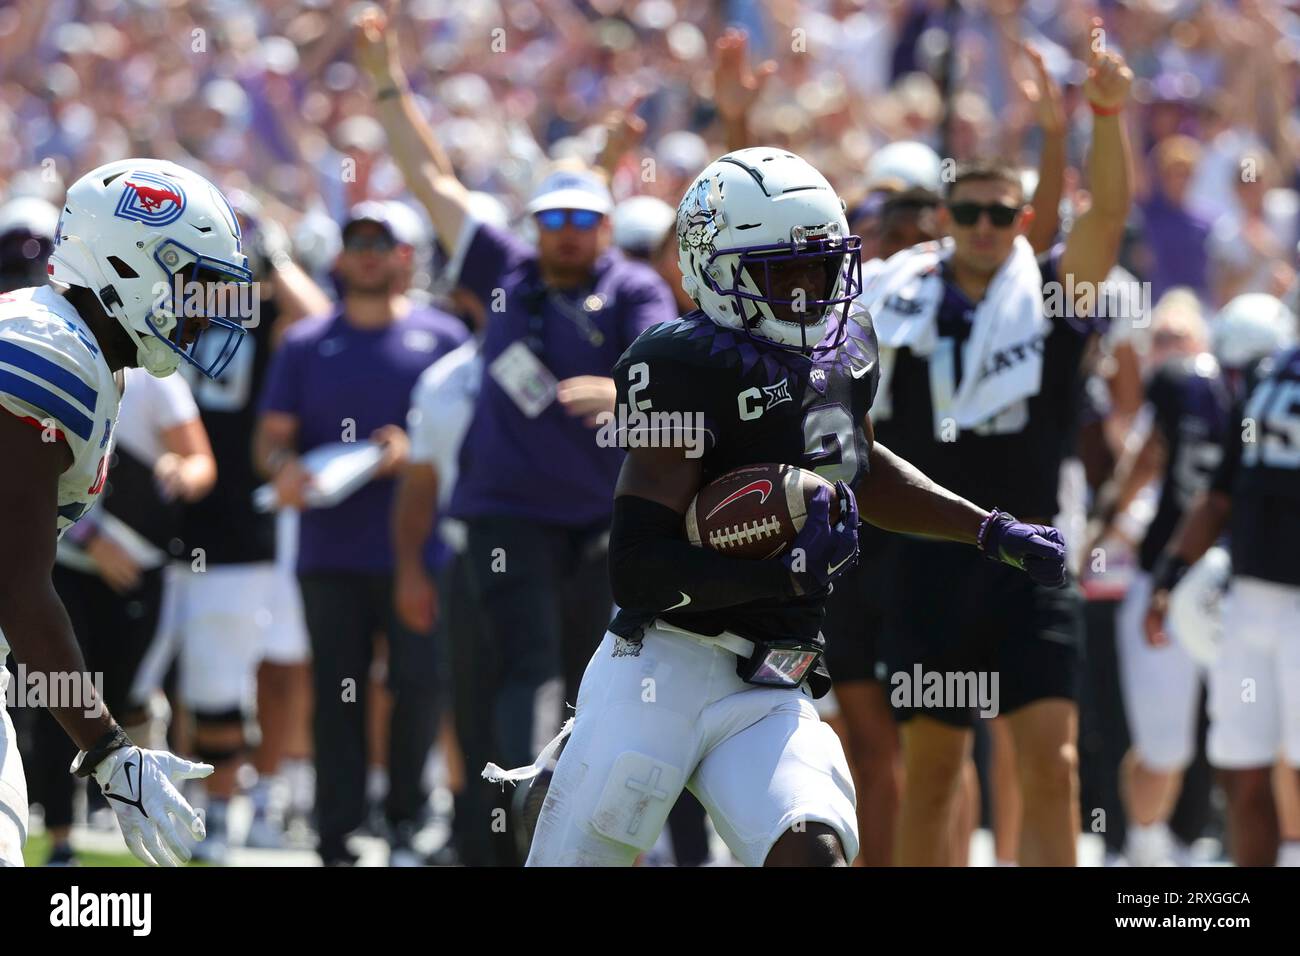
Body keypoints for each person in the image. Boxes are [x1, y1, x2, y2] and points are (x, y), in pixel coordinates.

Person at [489, 145, 1069, 868]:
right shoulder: (679, 365)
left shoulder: (847, 347)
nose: (808, 289)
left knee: (812, 852)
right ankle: (562, 781)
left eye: (821, 265)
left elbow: (856, 464)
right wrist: (783, 576)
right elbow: (637, 574)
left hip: (770, 681)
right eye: (782, 270)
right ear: (715, 270)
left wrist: (984, 528)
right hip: (661, 665)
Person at [356, 7, 678, 862]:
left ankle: (583, 838)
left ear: (606, 226)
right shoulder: (506, 268)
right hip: (506, 513)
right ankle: (515, 831)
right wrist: (387, 82)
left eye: (583, 221)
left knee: (598, 685)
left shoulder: (636, 288)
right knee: (528, 669)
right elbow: (430, 179)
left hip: (602, 520)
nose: (567, 235)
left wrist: (622, 388)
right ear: (535, 224)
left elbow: (674, 369)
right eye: (554, 221)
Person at [858, 35, 1133, 866]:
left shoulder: (1048, 297)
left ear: (1021, 221)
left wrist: (1106, 115)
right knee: (933, 772)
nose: (984, 228)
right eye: (967, 212)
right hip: (929, 559)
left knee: (1052, 762)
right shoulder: (890, 299)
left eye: (1001, 214)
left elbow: (1108, 216)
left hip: (1034, 557)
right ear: (945, 221)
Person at [0, 157, 252, 866]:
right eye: (196, 285)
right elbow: (16, 587)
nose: (206, 310)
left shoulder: (68, 341)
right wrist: (109, 750)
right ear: (130, 261)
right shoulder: (49, 354)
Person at [253, 203, 468, 866]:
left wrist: (418, 450)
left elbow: (467, 440)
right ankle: (335, 832)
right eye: (356, 240)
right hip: (330, 551)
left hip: (421, 552)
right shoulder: (306, 342)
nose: (367, 252)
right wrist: (284, 473)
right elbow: (270, 442)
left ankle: (405, 819)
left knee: (420, 684)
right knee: (336, 690)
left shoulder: (444, 337)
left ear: (408, 257)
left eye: (382, 241)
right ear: (341, 256)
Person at [1097, 292, 1293, 864]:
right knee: (1206, 756)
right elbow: (1208, 490)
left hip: (1256, 591)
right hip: (1222, 589)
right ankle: (1145, 850)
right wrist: (1160, 568)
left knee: (1274, 752)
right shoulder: (1231, 386)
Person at [1145, 341, 1300, 866]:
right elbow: (1220, 491)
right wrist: (1170, 575)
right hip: (1249, 596)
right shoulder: (1271, 368)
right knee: (1240, 766)